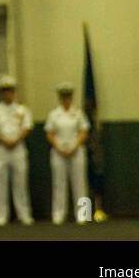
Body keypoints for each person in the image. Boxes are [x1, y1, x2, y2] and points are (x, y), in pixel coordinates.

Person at [0, 74, 33, 225]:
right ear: (0, 93)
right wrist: (4, 141)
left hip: (18, 148)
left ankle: (23, 213)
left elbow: (27, 127)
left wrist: (16, 139)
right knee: (0, 183)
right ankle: (2, 215)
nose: (7, 94)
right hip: (1, 149)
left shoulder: (22, 110)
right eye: (4, 91)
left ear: (14, 92)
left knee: (20, 182)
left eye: (10, 91)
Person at [45, 82, 90, 225]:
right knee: (59, 184)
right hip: (59, 152)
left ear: (71, 97)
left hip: (76, 151)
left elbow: (84, 131)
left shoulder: (78, 113)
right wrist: (58, 147)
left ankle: (83, 214)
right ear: (60, 98)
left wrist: (75, 146)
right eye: (63, 96)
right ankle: (58, 214)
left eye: (68, 96)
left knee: (80, 183)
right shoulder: (54, 114)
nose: (66, 99)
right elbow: (50, 133)